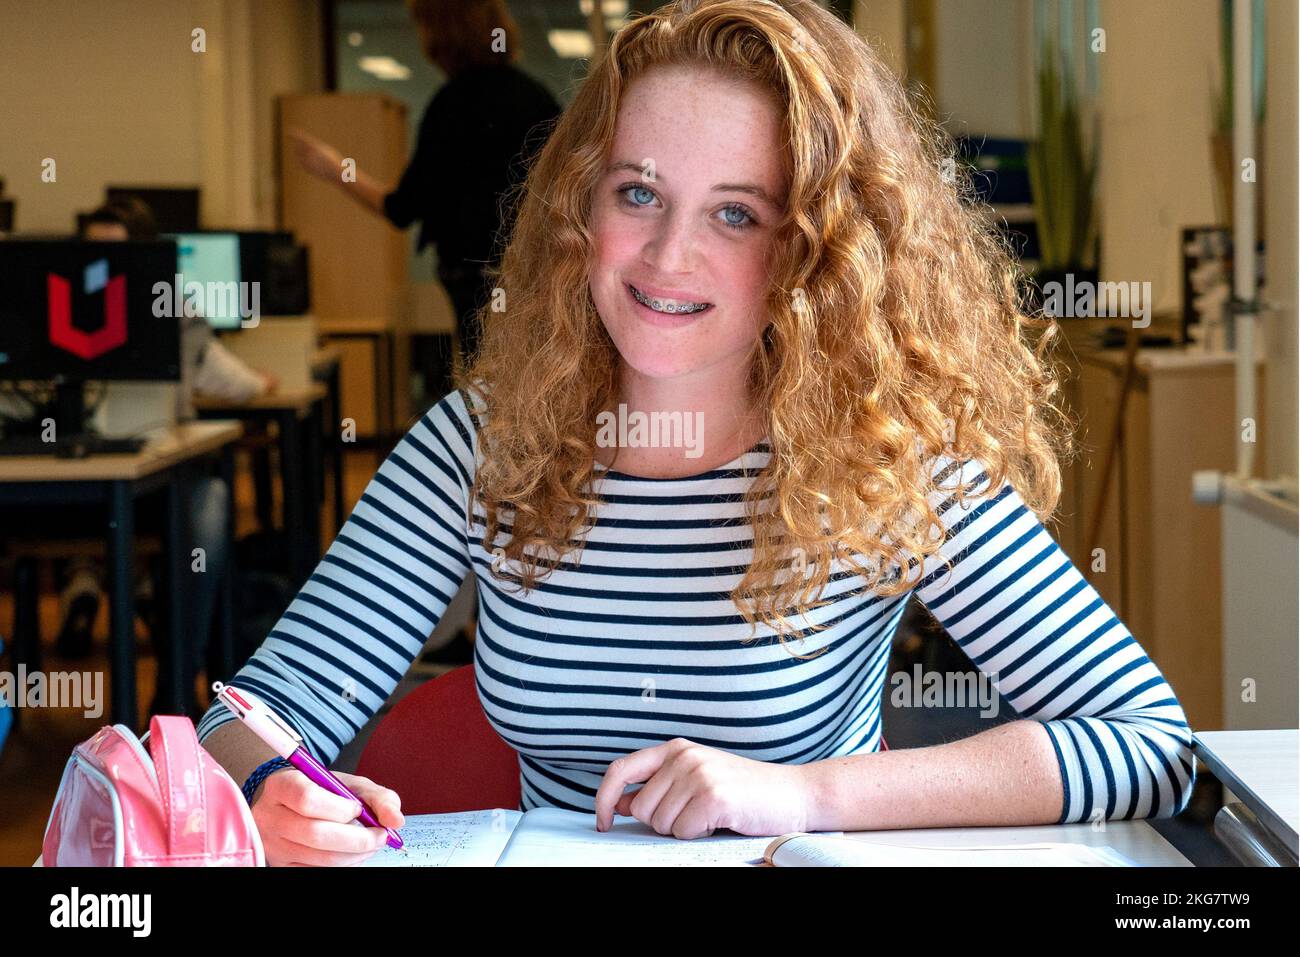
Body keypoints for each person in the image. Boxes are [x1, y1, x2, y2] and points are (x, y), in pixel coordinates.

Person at [197, 0, 1194, 865]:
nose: (668, 256)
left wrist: (802, 795)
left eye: (736, 214)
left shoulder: (889, 458)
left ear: (816, 252)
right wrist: (264, 787)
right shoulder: (481, 444)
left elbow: (1150, 744)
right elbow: (244, 719)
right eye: (638, 194)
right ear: (581, 207)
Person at [51, 199, 276, 717]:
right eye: (93, 254)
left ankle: (174, 688)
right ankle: (119, 584)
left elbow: (224, 375)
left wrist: (260, 383)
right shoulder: (49, 314)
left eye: (121, 255)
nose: (105, 270)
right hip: (69, 494)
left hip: (154, 489)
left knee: (209, 503)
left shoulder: (173, 313)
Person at [288, 0, 561, 370]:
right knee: (528, 374)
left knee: (486, 378)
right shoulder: (537, 98)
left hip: (474, 279)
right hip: (536, 271)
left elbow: (400, 208)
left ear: (443, 37)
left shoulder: (452, 104)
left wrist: (334, 168)